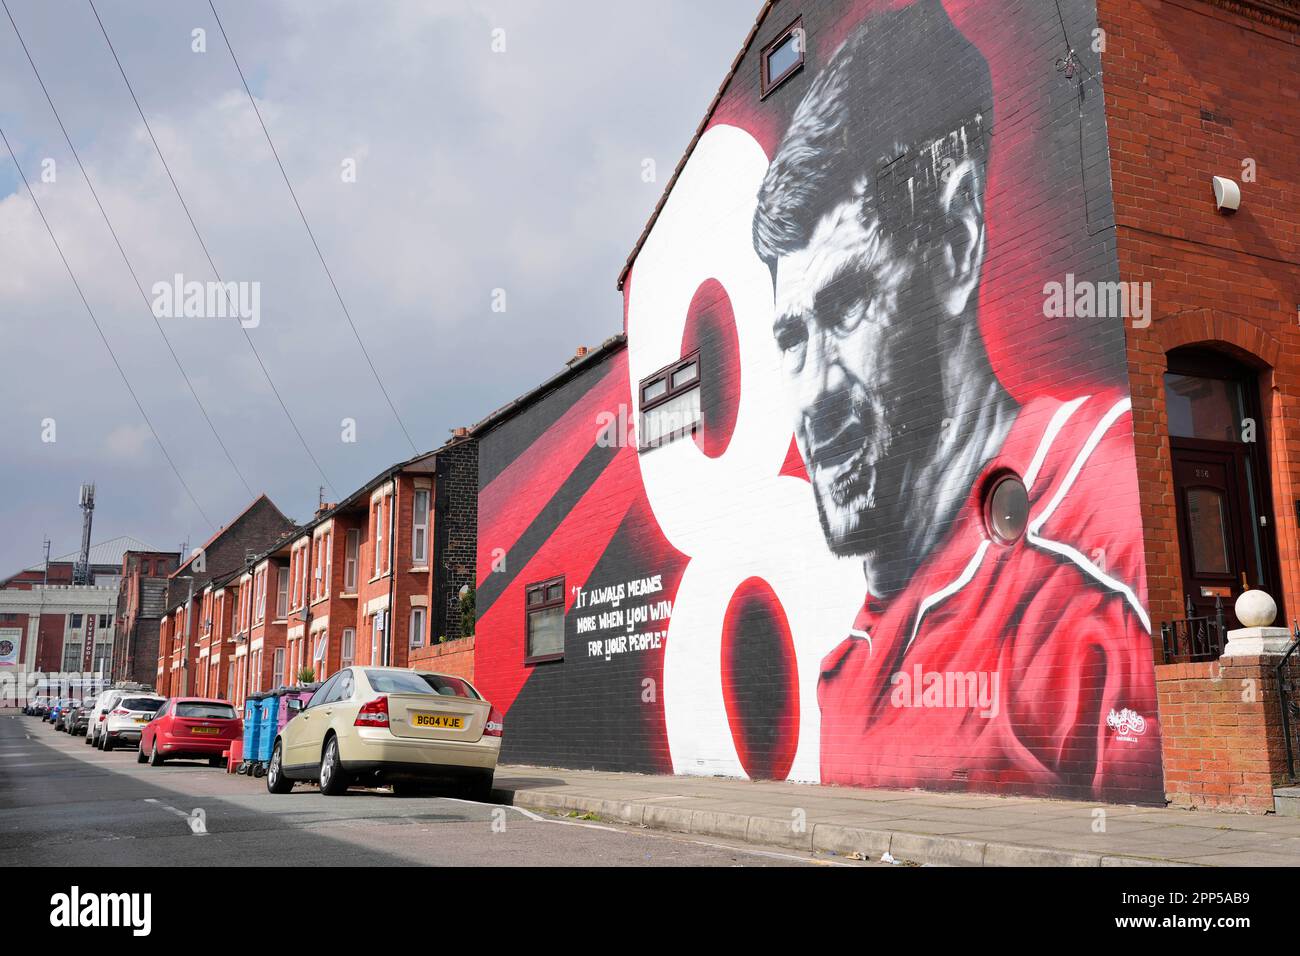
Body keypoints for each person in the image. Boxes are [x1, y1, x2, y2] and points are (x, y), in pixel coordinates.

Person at [752, 0, 1160, 800]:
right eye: (793, 336)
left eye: (846, 307)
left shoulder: (1095, 543)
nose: (816, 390)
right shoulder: (852, 665)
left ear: (957, 241)